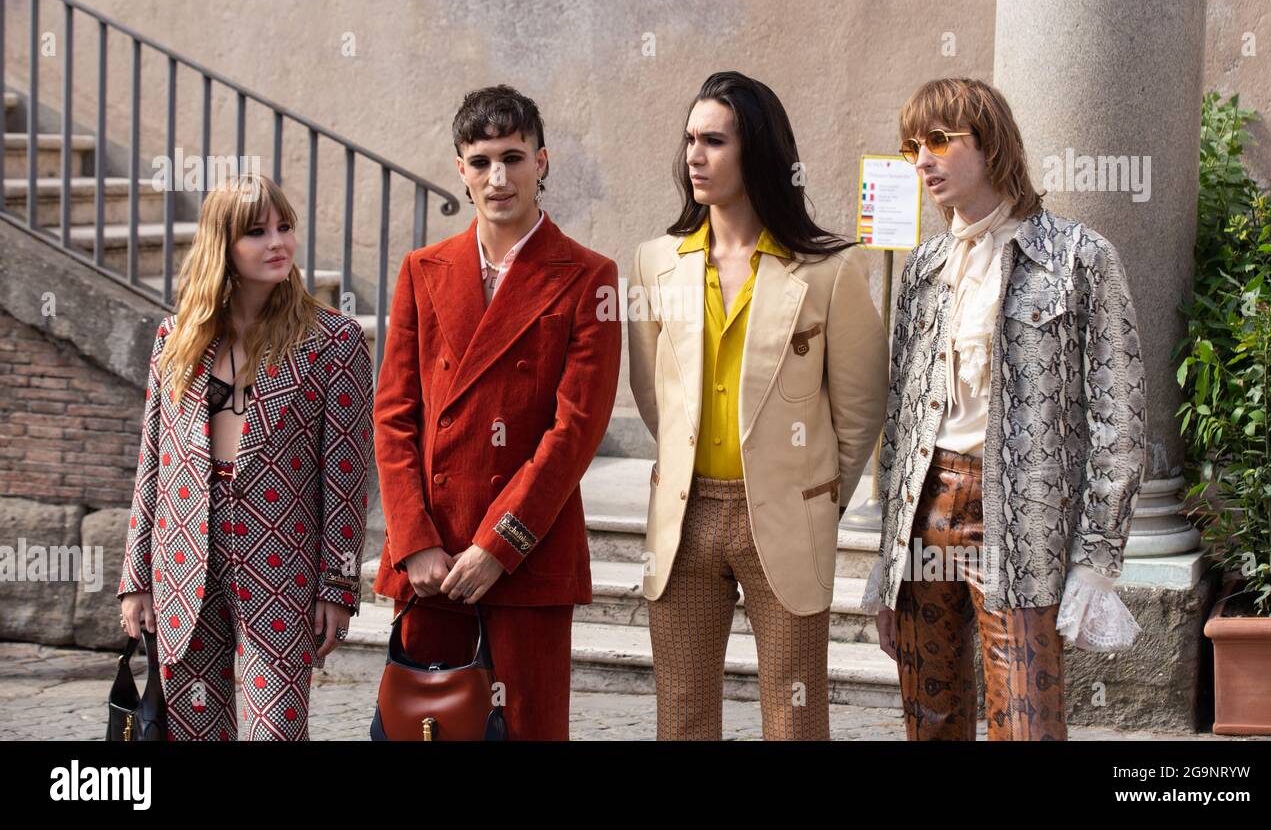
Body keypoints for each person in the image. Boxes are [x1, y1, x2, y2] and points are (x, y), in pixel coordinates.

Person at [863, 77, 1146, 740]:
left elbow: (1119, 419)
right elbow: (901, 421)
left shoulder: (1079, 259)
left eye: (938, 140)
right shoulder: (925, 268)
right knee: (931, 721)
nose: (921, 160)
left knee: (1027, 723)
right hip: (926, 513)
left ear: (989, 144)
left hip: (1023, 525)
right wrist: (886, 558)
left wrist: (1097, 559)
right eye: (911, 147)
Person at [627, 71, 889, 740]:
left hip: (786, 517)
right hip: (683, 520)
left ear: (759, 151)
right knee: (681, 716)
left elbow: (860, 411)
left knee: (794, 715)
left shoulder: (828, 270)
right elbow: (654, 394)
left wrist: (816, 496)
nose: (694, 155)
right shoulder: (656, 261)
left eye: (713, 140)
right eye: (689, 139)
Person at [372, 84, 621, 740]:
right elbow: (395, 414)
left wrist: (497, 546)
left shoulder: (588, 276)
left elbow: (576, 430)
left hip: (525, 557)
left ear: (542, 161)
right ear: (461, 169)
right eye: (480, 161)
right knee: (428, 732)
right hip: (432, 565)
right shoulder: (423, 270)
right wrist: (414, 541)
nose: (498, 177)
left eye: (513, 157)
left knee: (528, 731)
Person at [117, 173, 372, 740]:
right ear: (222, 246)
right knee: (192, 730)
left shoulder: (332, 340)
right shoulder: (176, 338)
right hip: (183, 564)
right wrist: (136, 578)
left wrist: (338, 585)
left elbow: (348, 479)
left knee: (275, 733)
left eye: (285, 227)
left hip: (282, 571)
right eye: (257, 232)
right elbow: (152, 463)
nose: (277, 242)